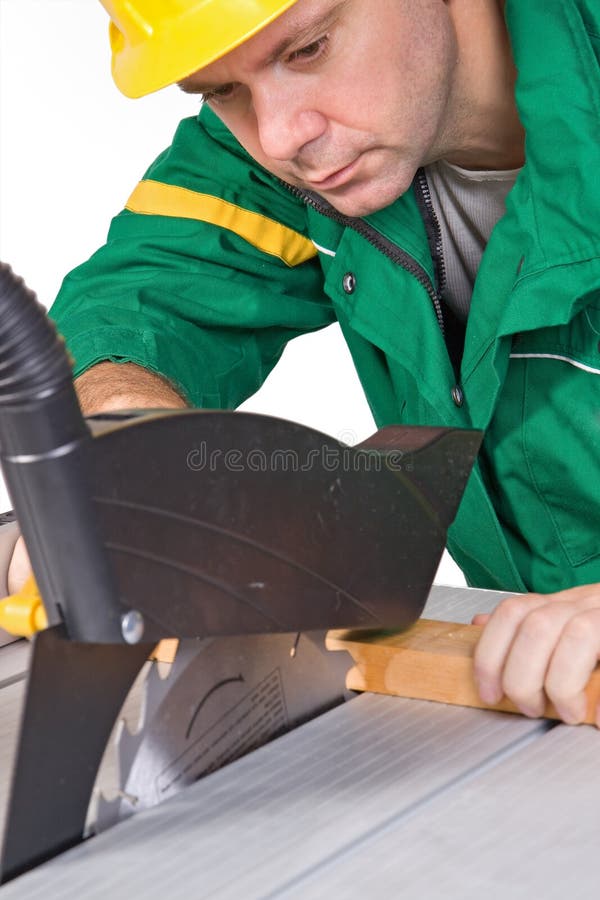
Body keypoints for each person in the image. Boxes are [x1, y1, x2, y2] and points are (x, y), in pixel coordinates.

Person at [3, 0, 600, 726]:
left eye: (309, 48)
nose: (281, 136)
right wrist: (127, 471)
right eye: (222, 89)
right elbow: (134, 304)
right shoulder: (283, 160)